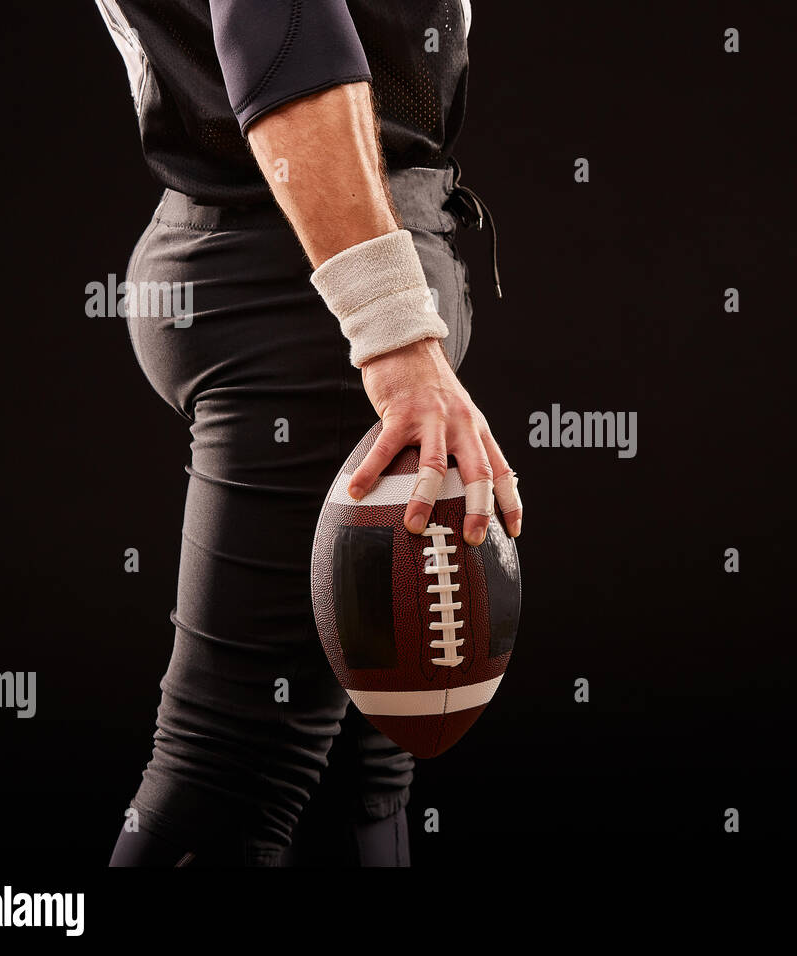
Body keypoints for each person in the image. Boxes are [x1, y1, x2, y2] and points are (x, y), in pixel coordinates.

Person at [95, 0, 522, 866]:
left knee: (361, 766)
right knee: (230, 772)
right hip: (308, 289)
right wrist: (395, 336)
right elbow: (280, 29)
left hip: (287, 262)